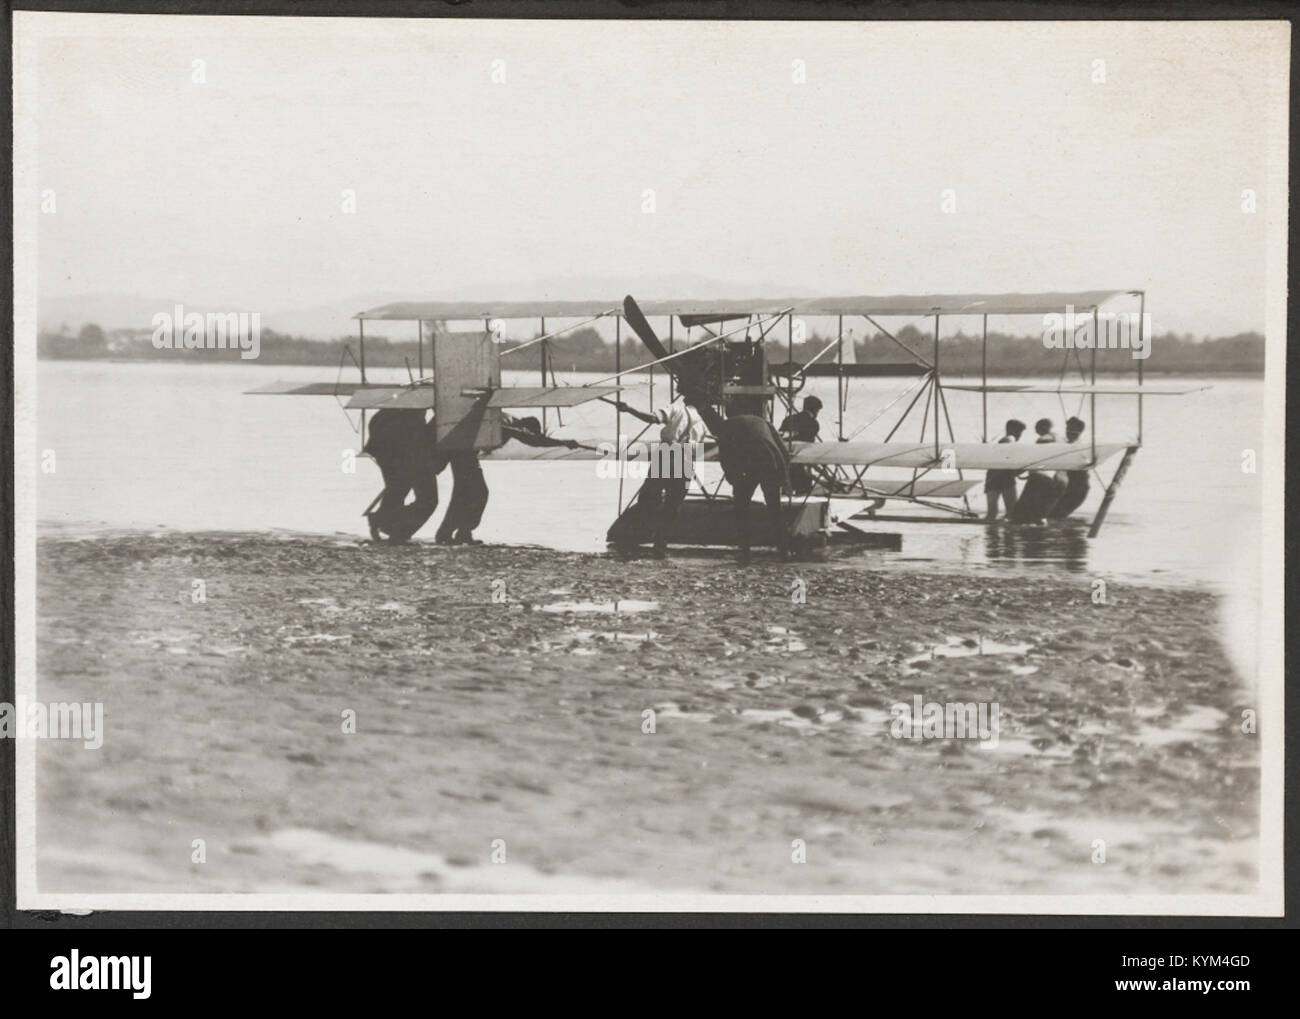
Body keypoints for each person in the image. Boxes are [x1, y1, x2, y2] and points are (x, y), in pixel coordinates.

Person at [435, 414, 585, 545]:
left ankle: (454, 532)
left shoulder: (508, 423)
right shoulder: (507, 424)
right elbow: (534, 440)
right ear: (526, 427)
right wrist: (563, 443)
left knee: (467, 493)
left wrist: (563, 443)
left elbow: (533, 439)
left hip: (463, 452)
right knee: (476, 493)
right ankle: (455, 533)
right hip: (462, 453)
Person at [610, 394, 708, 556]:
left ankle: (635, 537)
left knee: (649, 496)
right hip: (686, 462)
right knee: (673, 504)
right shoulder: (703, 424)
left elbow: (653, 418)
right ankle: (660, 544)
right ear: (703, 405)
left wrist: (629, 409)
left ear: (686, 399)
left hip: (666, 454)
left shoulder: (677, 409)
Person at [364, 408, 440, 544]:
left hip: (384, 447)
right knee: (427, 498)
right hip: (409, 448)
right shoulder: (414, 410)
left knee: (397, 490)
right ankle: (396, 530)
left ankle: (385, 523)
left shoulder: (395, 406)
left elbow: (375, 424)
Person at [1008, 417, 1067, 525]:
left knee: (1019, 515)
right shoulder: (1061, 439)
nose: (1035, 431)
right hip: (1060, 480)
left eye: (1037, 428)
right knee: (1040, 514)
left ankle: (1021, 538)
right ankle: (1040, 538)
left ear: (1044, 427)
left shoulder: (1044, 438)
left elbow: (1037, 459)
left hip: (1041, 480)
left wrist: (1017, 472)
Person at [1047, 416, 1090, 518]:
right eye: (1068, 430)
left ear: (1080, 431)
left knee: (1057, 514)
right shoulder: (1065, 445)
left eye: (1073, 430)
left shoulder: (1082, 447)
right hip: (1067, 488)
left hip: (1078, 489)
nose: (1069, 432)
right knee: (1053, 514)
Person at [779, 395, 823, 495]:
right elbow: (809, 445)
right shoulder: (813, 423)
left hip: (787, 461)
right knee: (803, 491)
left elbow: (781, 437)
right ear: (815, 410)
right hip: (803, 462)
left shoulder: (788, 419)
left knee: (786, 492)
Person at [984, 418, 1025, 521]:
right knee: (1012, 512)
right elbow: (1009, 460)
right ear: (1012, 430)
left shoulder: (1003, 440)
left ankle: (991, 535)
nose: (1020, 435)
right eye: (1019, 432)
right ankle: (1009, 535)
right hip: (1005, 478)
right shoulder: (1010, 439)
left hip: (992, 477)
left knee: (992, 513)